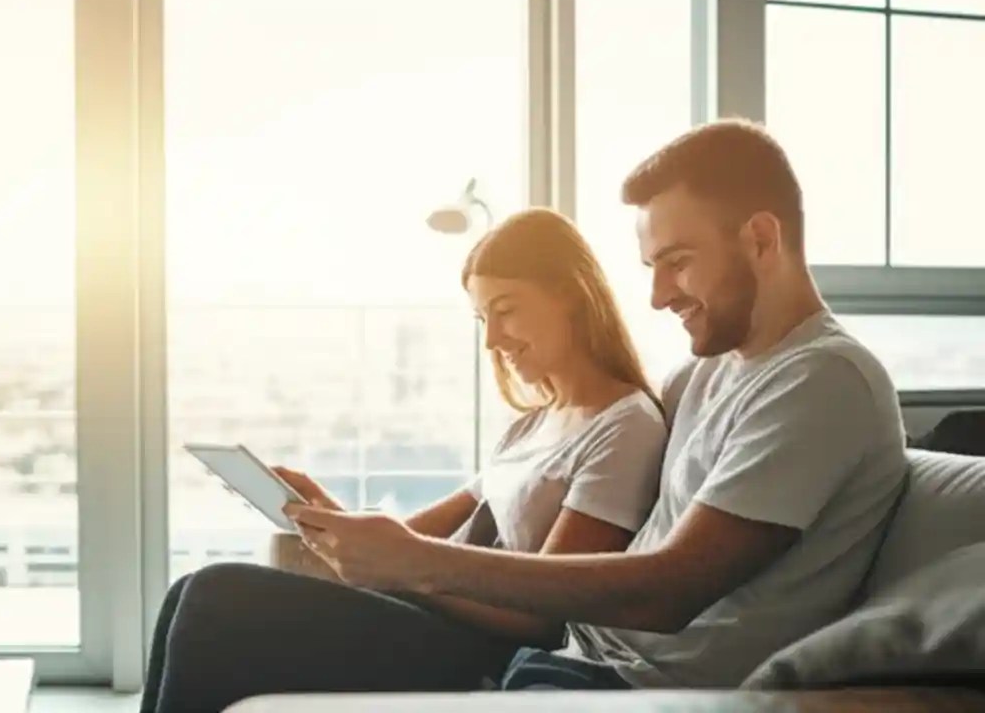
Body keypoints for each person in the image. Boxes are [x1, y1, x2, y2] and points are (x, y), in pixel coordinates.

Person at [291, 119, 908, 690]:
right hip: (574, 661)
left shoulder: (823, 379)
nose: (660, 295)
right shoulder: (700, 377)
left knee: (228, 613)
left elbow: (668, 592)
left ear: (761, 239)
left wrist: (420, 565)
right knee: (221, 606)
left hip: (642, 691)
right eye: (651, 268)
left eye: (678, 263)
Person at [140, 208, 669, 712]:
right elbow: (418, 539)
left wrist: (406, 573)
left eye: (506, 311)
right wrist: (326, 515)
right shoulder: (531, 427)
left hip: (497, 649)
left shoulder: (625, 425)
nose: (493, 340)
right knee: (188, 592)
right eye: (484, 318)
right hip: (443, 619)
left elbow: (544, 618)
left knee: (217, 596)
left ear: (573, 297)